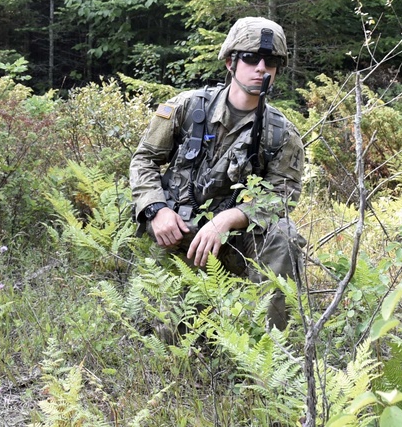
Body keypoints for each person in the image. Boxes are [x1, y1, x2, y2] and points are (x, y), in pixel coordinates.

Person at [130, 17, 306, 330]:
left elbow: (282, 196)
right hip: (179, 233)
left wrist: (227, 220)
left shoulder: (282, 133)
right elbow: (144, 159)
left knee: (284, 235)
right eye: (251, 59)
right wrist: (156, 210)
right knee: (173, 339)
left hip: (236, 241)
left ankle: (270, 347)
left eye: (272, 62)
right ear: (230, 62)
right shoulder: (187, 108)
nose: (261, 68)